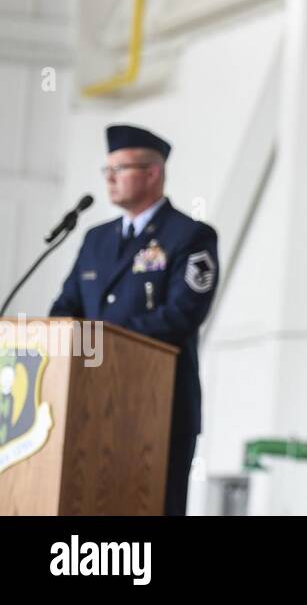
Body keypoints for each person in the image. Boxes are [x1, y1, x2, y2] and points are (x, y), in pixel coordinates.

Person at [51, 124, 219, 516]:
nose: (109, 179)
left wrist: (104, 340)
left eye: (120, 169)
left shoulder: (189, 236)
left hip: (157, 404)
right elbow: (65, 308)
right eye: (106, 171)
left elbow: (182, 315)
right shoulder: (96, 239)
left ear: (152, 173)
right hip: (87, 402)